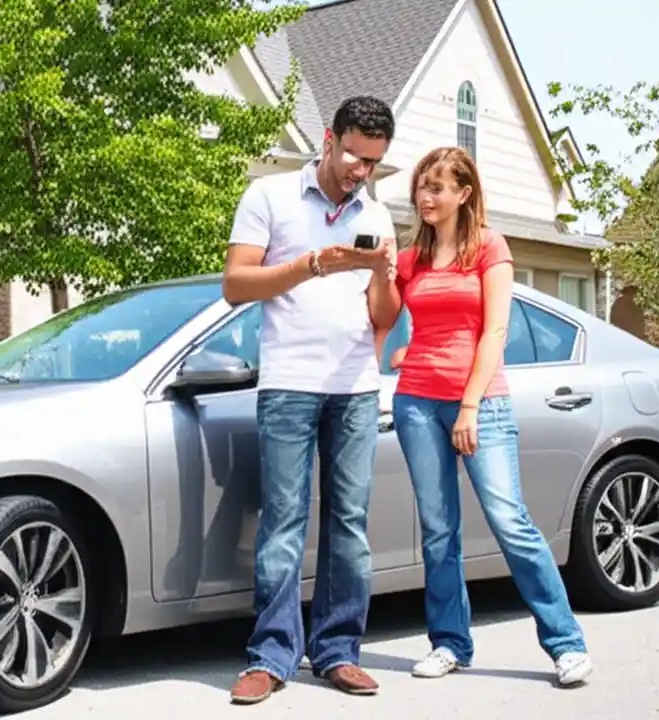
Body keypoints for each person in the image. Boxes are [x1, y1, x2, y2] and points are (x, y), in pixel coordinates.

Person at [370, 146, 594, 687]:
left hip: (481, 403)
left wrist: (469, 405)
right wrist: (382, 272)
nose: (425, 196)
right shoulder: (412, 258)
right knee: (438, 529)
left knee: (510, 522)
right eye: (421, 187)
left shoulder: (489, 248)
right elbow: (383, 317)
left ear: (463, 194)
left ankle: (566, 644)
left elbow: (494, 332)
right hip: (417, 401)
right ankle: (449, 642)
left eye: (437, 188)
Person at [222, 95, 399, 705]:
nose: (360, 170)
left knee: (349, 525)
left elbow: (387, 315)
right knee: (284, 523)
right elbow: (235, 285)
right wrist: (313, 266)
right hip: (289, 384)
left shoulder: (376, 213)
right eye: (353, 155)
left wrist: (378, 271)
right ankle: (271, 656)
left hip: (354, 389)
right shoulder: (269, 197)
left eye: (372, 162)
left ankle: (337, 651)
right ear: (329, 139)